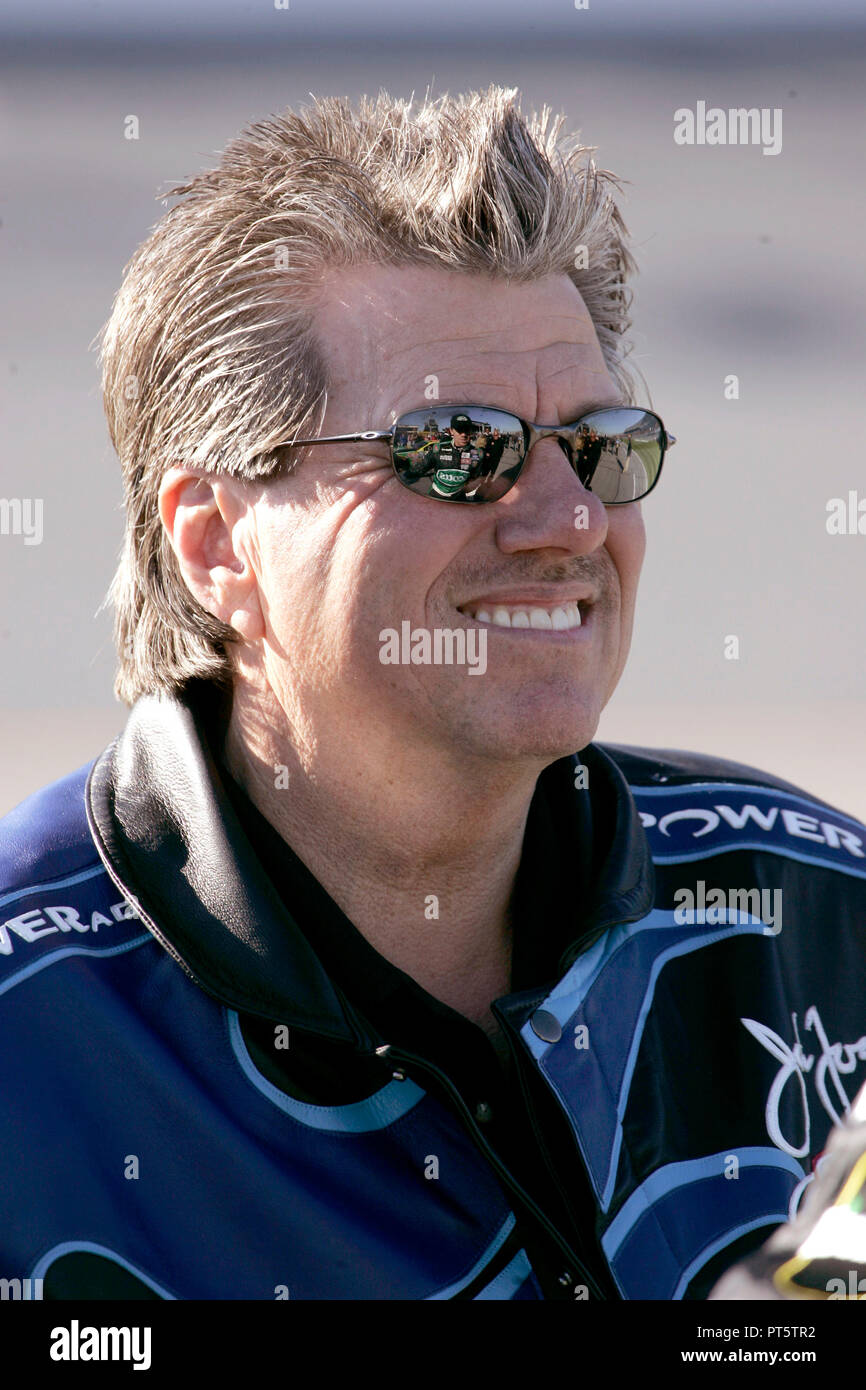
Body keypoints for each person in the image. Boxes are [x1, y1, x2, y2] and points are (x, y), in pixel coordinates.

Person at [1, 86, 865, 1303]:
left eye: (601, 445)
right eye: (458, 449)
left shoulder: (815, 910)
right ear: (216, 542)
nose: (568, 520)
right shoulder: (29, 1026)